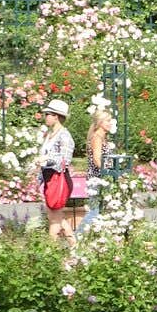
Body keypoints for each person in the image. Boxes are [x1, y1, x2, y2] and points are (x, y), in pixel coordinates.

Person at [34, 98, 75, 242]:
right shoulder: (49, 135)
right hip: (49, 178)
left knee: (54, 219)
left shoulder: (64, 136)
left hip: (59, 179)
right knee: (56, 217)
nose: (45, 117)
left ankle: (50, 251)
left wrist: (46, 160)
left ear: (56, 116)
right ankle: (75, 247)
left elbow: (64, 161)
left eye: (48, 114)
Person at [75, 106, 114, 235]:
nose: (110, 123)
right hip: (97, 179)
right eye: (107, 121)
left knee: (101, 210)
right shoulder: (97, 138)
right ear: (100, 123)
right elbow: (97, 160)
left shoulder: (102, 137)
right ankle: (77, 236)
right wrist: (108, 171)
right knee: (94, 211)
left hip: (100, 179)